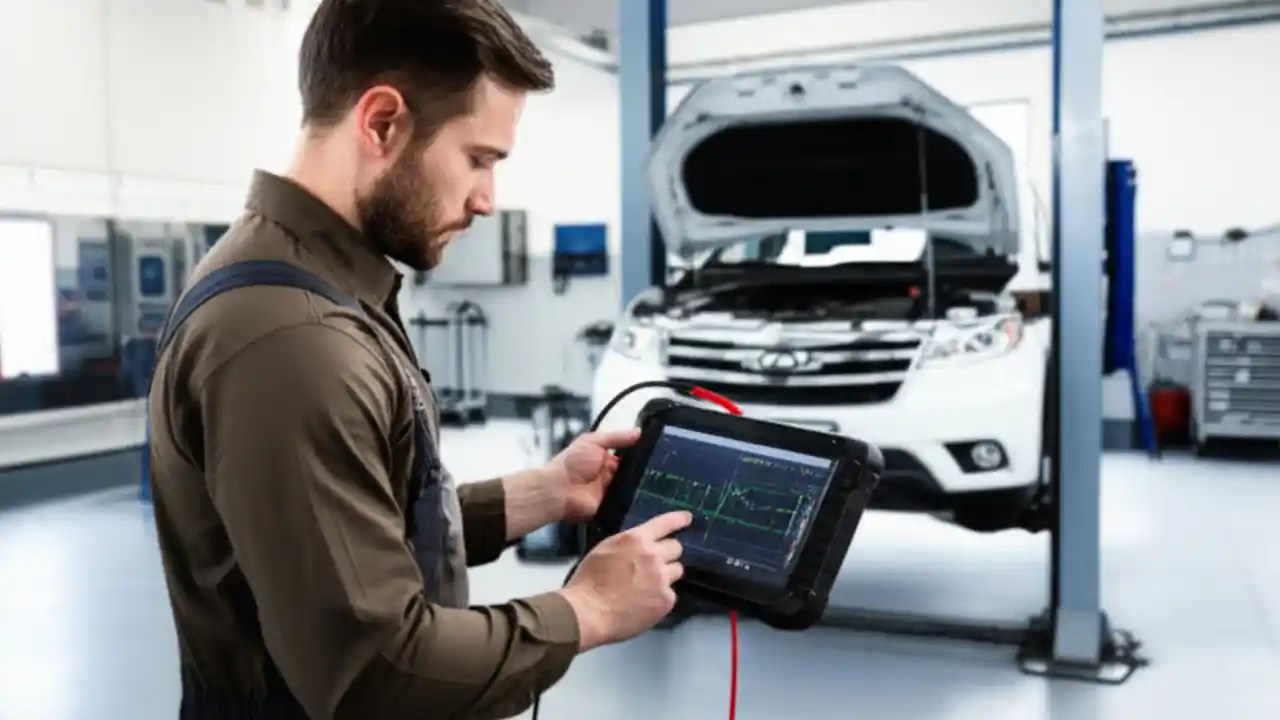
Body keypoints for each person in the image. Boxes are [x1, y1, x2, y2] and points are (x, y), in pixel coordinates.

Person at [146, 1, 692, 718]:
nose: (488, 200)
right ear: (381, 123)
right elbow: (373, 671)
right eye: (478, 159)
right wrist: (585, 609)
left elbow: (362, 533)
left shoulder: (312, 282)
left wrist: (546, 493)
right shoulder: (294, 340)